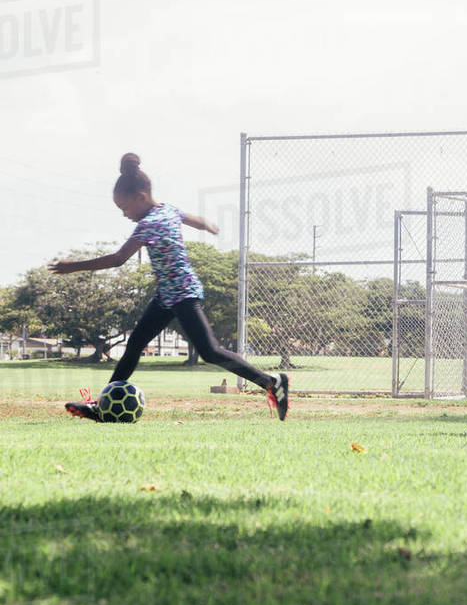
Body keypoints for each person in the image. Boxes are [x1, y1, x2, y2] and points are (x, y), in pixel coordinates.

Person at [50, 153, 290, 421]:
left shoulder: (149, 224)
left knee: (210, 352)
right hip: (167, 296)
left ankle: (271, 382)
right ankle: (102, 405)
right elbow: (193, 219)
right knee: (134, 345)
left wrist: (73, 267)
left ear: (141, 197)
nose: (124, 214)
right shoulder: (169, 209)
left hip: (183, 294)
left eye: (125, 207)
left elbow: (117, 259)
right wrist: (208, 224)